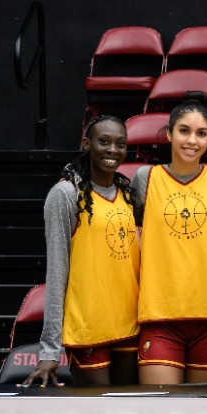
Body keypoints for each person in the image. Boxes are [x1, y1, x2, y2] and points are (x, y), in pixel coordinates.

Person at [130, 92, 207, 384]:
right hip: (160, 316)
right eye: (184, 131)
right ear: (169, 134)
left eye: (201, 134)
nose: (192, 141)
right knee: (160, 413)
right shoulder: (145, 179)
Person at [28, 115, 140, 387]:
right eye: (104, 141)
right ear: (87, 143)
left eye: (120, 143)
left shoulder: (128, 193)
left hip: (130, 326)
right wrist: (49, 350)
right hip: (88, 329)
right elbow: (56, 272)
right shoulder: (66, 194)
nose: (113, 149)